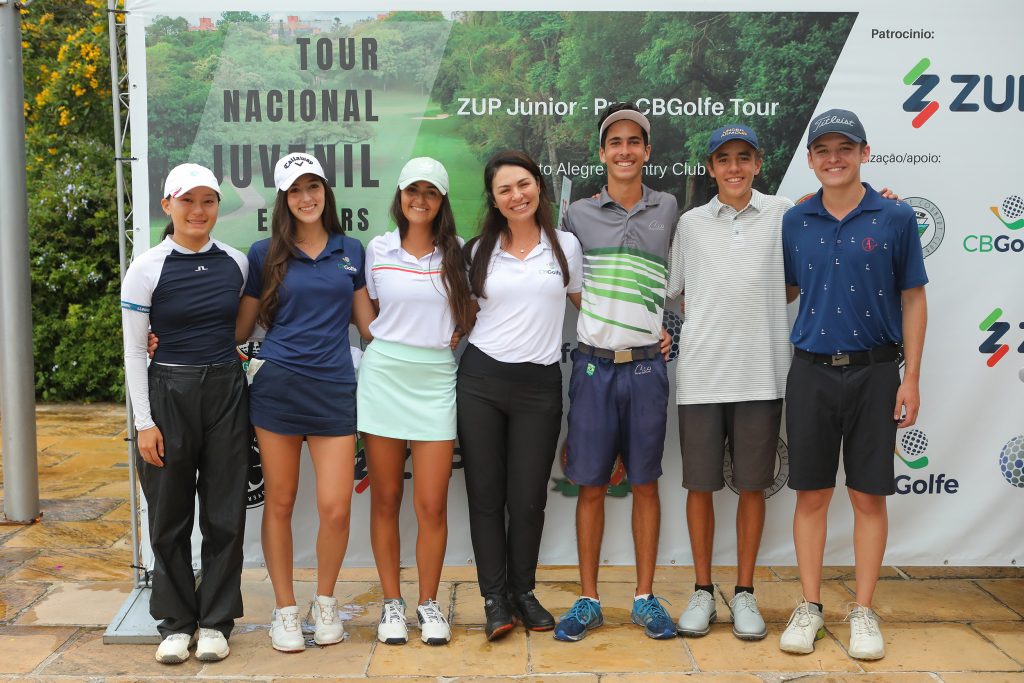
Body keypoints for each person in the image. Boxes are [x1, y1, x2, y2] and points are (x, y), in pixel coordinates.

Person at [778, 109, 927, 661]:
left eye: (846, 147)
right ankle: (810, 607)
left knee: (868, 495)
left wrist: (911, 375)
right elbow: (788, 288)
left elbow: (914, 297)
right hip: (810, 370)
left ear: (865, 152)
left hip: (875, 372)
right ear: (811, 159)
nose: (834, 158)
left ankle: (863, 610)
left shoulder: (894, 216)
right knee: (812, 493)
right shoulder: (796, 220)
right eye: (823, 150)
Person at [238, 152, 375, 653]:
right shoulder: (263, 253)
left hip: (335, 389)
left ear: (326, 191)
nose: (307, 197)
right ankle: (284, 610)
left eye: (313, 186)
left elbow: (368, 327)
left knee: (336, 508)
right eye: (296, 190)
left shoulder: (350, 250)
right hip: (277, 390)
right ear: (283, 199)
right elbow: (240, 327)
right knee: (279, 501)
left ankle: (324, 601)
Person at [555, 103, 678, 642]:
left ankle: (645, 598)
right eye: (615, 142)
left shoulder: (669, 207)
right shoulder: (577, 215)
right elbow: (564, 280)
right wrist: (607, 318)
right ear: (602, 152)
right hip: (592, 369)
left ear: (647, 151)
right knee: (590, 487)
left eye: (635, 142)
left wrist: (652, 323)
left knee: (646, 484)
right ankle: (588, 600)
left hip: (648, 367)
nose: (625, 150)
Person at [666, 124, 793, 641]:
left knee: (752, 488)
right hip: (701, 374)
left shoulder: (784, 214)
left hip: (762, 373)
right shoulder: (691, 224)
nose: (734, 167)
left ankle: (743, 594)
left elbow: (825, 233)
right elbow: (675, 291)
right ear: (712, 168)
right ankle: (702, 591)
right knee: (700, 486)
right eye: (724, 159)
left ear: (758, 164)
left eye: (744, 157)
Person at [121, 163, 250, 664]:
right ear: (168, 206)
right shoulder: (147, 267)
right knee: (169, 516)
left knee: (224, 514)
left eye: (209, 201)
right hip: (167, 392)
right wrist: (144, 422)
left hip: (225, 391)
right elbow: (134, 351)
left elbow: (240, 330)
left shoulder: (236, 263)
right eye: (188, 201)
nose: (199, 211)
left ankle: (216, 621)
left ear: (218, 207)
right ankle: (175, 622)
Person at [458, 150, 583, 641]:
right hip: (481, 381)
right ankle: (494, 599)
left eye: (524, 184)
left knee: (529, 498)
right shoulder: (475, 252)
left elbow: (589, 307)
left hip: (540, 384)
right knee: (486, 496)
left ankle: (523, 591)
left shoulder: (566, 246)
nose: (517, 195)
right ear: (493, 199)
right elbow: (459, 317)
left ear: (539, 187)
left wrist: (644, 332)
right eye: (505, 189)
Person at [358, 158, 473, 646]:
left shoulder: (459, 252)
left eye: (430, 191)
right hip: (384, 376)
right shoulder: (378, 247)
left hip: (435, 381)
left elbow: (473, 309)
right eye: (412, 190)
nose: (420, 199)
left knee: (432, 504)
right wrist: (378, 339)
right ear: (400, 195)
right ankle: (391, 604)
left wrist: (455, 331)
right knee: (385, 499)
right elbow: (369, 306)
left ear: (442, 199)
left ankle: (428, 603)